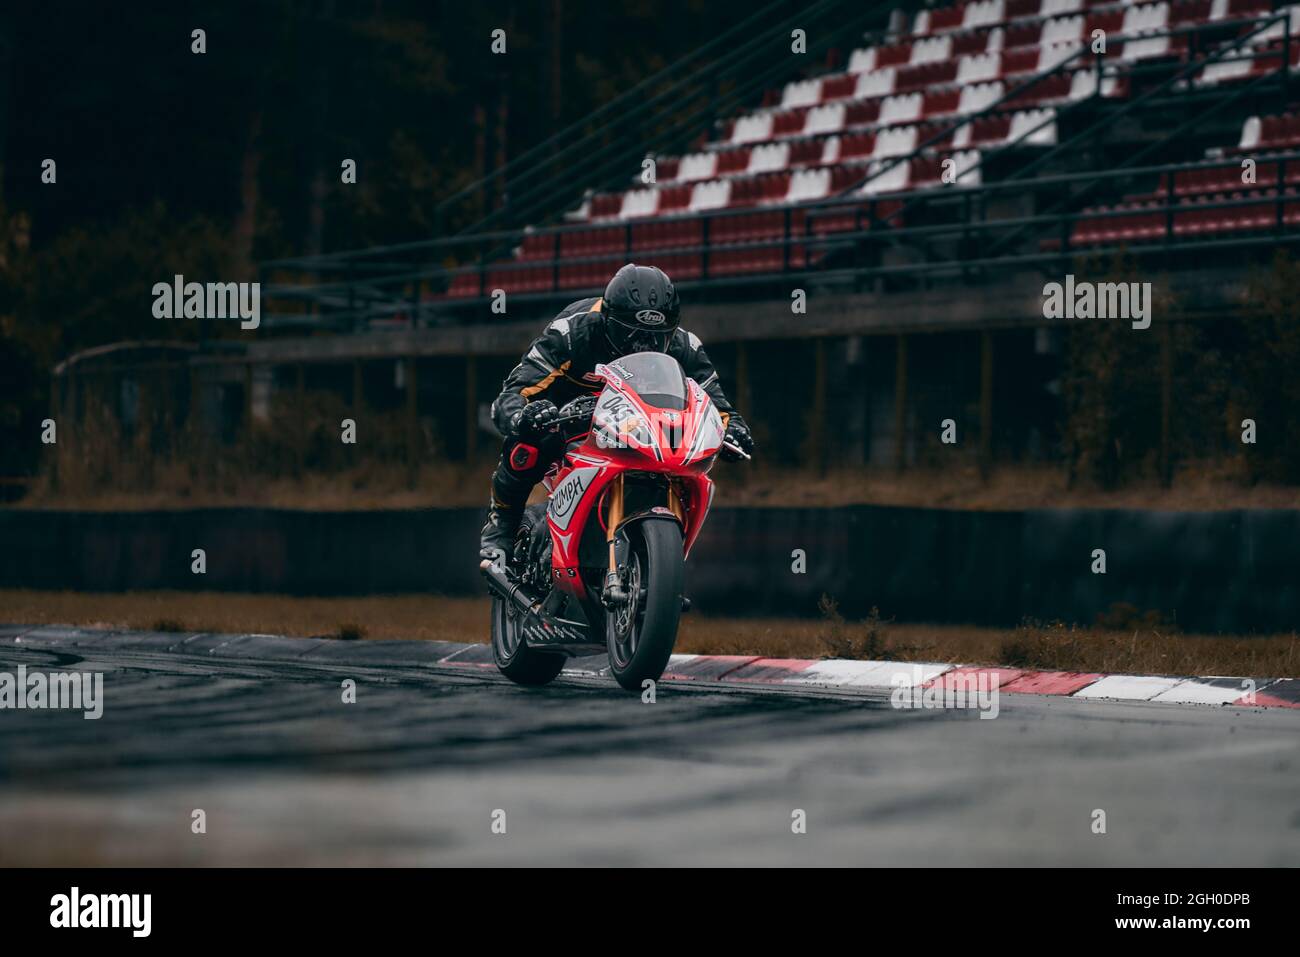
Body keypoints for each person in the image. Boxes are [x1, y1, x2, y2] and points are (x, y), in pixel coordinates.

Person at [479, 262, 754, 560]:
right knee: (528, 445)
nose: (643, 344)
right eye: (630, 335)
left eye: (655, 337)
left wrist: (733, 428)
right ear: (607, 319)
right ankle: (501, 527)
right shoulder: (571, 331)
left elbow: (714, 399)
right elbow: (514, 391)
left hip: (640, 423)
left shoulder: (684, 344)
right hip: (566, 415)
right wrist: (524, 415)